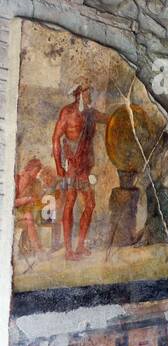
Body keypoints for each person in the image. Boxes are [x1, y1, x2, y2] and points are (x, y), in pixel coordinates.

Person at [52, 83, 104, 260]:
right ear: (79, 94)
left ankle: (80, 245)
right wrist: (58, 165)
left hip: (85, 167)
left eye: (91, 92)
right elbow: (56, 139)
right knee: (70, 202)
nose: (91, 95)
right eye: (88, 92)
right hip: (71, 166)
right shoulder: (66, 113)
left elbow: (109, 118)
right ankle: (68, 251)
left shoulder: (91, 113)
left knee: (90, 204)